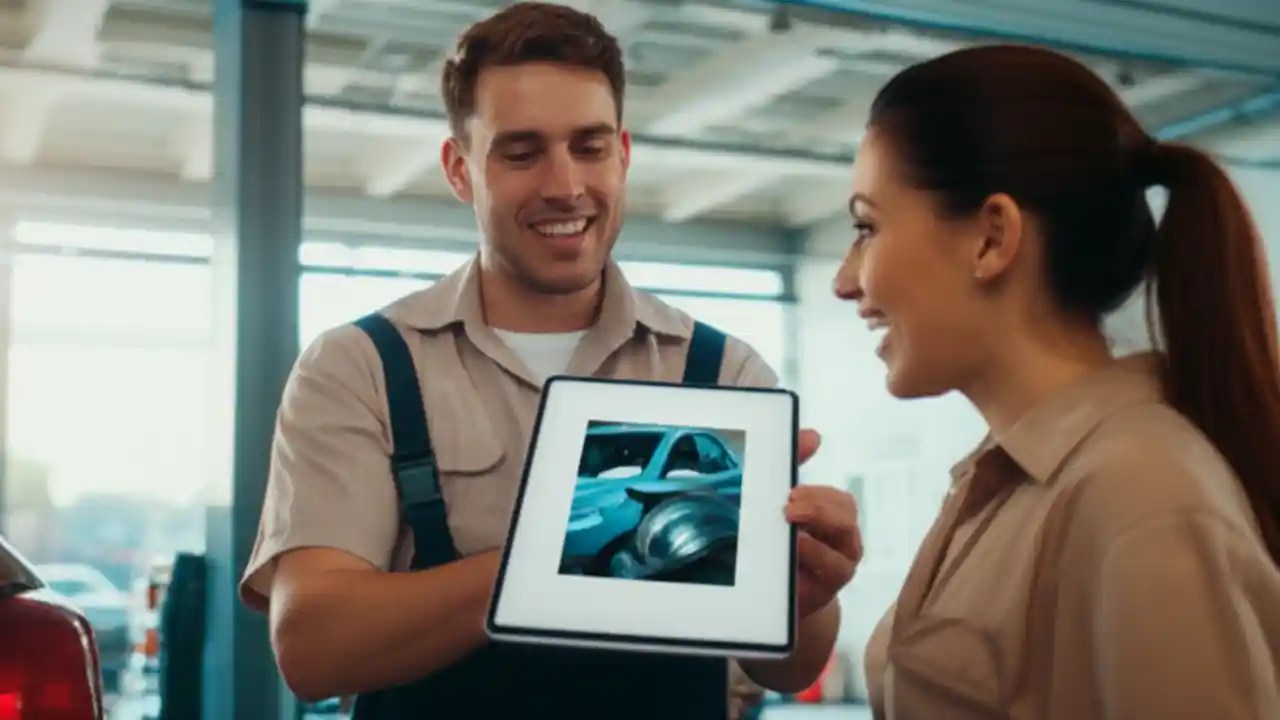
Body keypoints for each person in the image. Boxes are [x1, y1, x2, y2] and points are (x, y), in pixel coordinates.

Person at [239, 3, 861, 718]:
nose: (565, 185)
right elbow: (313, 648)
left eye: (590, 147)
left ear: (622, 154)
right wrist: (548, 565)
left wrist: (810, 596)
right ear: (459, 169)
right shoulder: (363, 367)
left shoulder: (724, 372)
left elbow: (789, 667)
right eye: (521, 151)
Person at [834, 44, 1280, 718]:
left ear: (991, 238)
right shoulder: (1004, 484)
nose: (844, 281)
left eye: (868, 227)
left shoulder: (1140, 492)